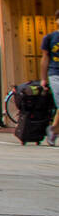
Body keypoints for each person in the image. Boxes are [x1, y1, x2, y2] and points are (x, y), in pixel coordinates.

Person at [42, 10, 59, 146]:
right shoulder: (50, 38)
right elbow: (45, 58)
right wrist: (43, 78)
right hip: (55, 74)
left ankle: (53, 130)